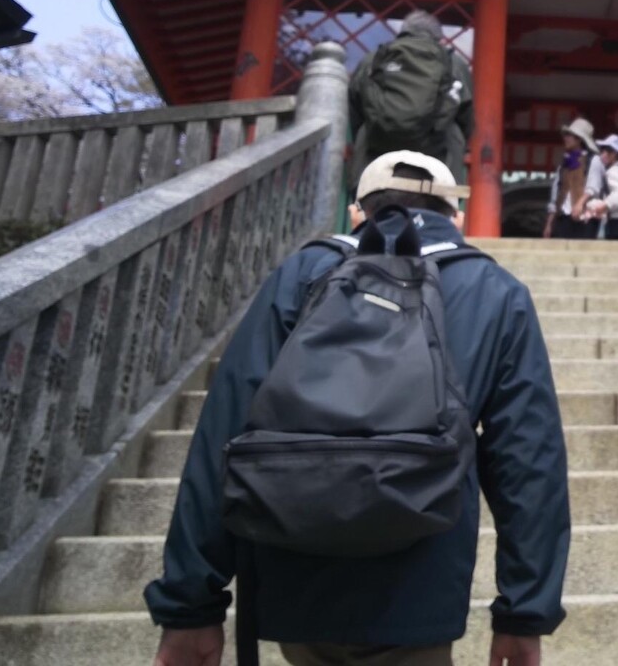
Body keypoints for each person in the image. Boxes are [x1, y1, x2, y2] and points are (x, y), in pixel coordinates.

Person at [146, 151, 570, 666]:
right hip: (422, 578)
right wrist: (525, 612)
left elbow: (227, 429)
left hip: (294, 564)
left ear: (357, 213)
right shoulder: (496, 292)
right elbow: (528, 460)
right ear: (454, 217)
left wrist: (191, 603)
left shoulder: (305, 271)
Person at [348, 10, 473, 185]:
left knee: (364, 129)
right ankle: (447, 194)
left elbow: (353, 110)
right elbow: (466, 116)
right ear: (438, 37)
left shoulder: (374, 59)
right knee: (454, 131)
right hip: (437, 162)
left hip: (376, 159)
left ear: (403, 31)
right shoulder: (453, 63)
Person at [544, 117, 601, 239]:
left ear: (579, 139)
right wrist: (549, 223)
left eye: (570, 135)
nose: (566, 138)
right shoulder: (564, 164)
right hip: (563, 216)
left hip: (585, 217)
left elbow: (593, 187)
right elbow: (556, 193)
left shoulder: (593, 160)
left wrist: (580, 203)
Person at [583, 134, 618, 240]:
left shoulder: (613, 171)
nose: (601, 155)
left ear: (614, 154)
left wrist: (603, 206)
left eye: (604, 151)